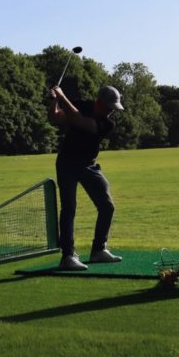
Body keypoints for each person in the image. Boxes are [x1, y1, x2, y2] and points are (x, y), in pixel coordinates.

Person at [47, 83, 124, 270]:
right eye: (109, 108)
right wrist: (53, 102)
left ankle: (98, 250)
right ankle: (68, 256)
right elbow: (55, 118)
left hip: (89, 165)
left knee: (107, 206)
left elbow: (80, 121)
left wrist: (62, 97)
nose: (111, 112)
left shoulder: (107, 123)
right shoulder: (83, 105)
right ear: (99, 103)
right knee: (69, 209)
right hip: (67, 163)